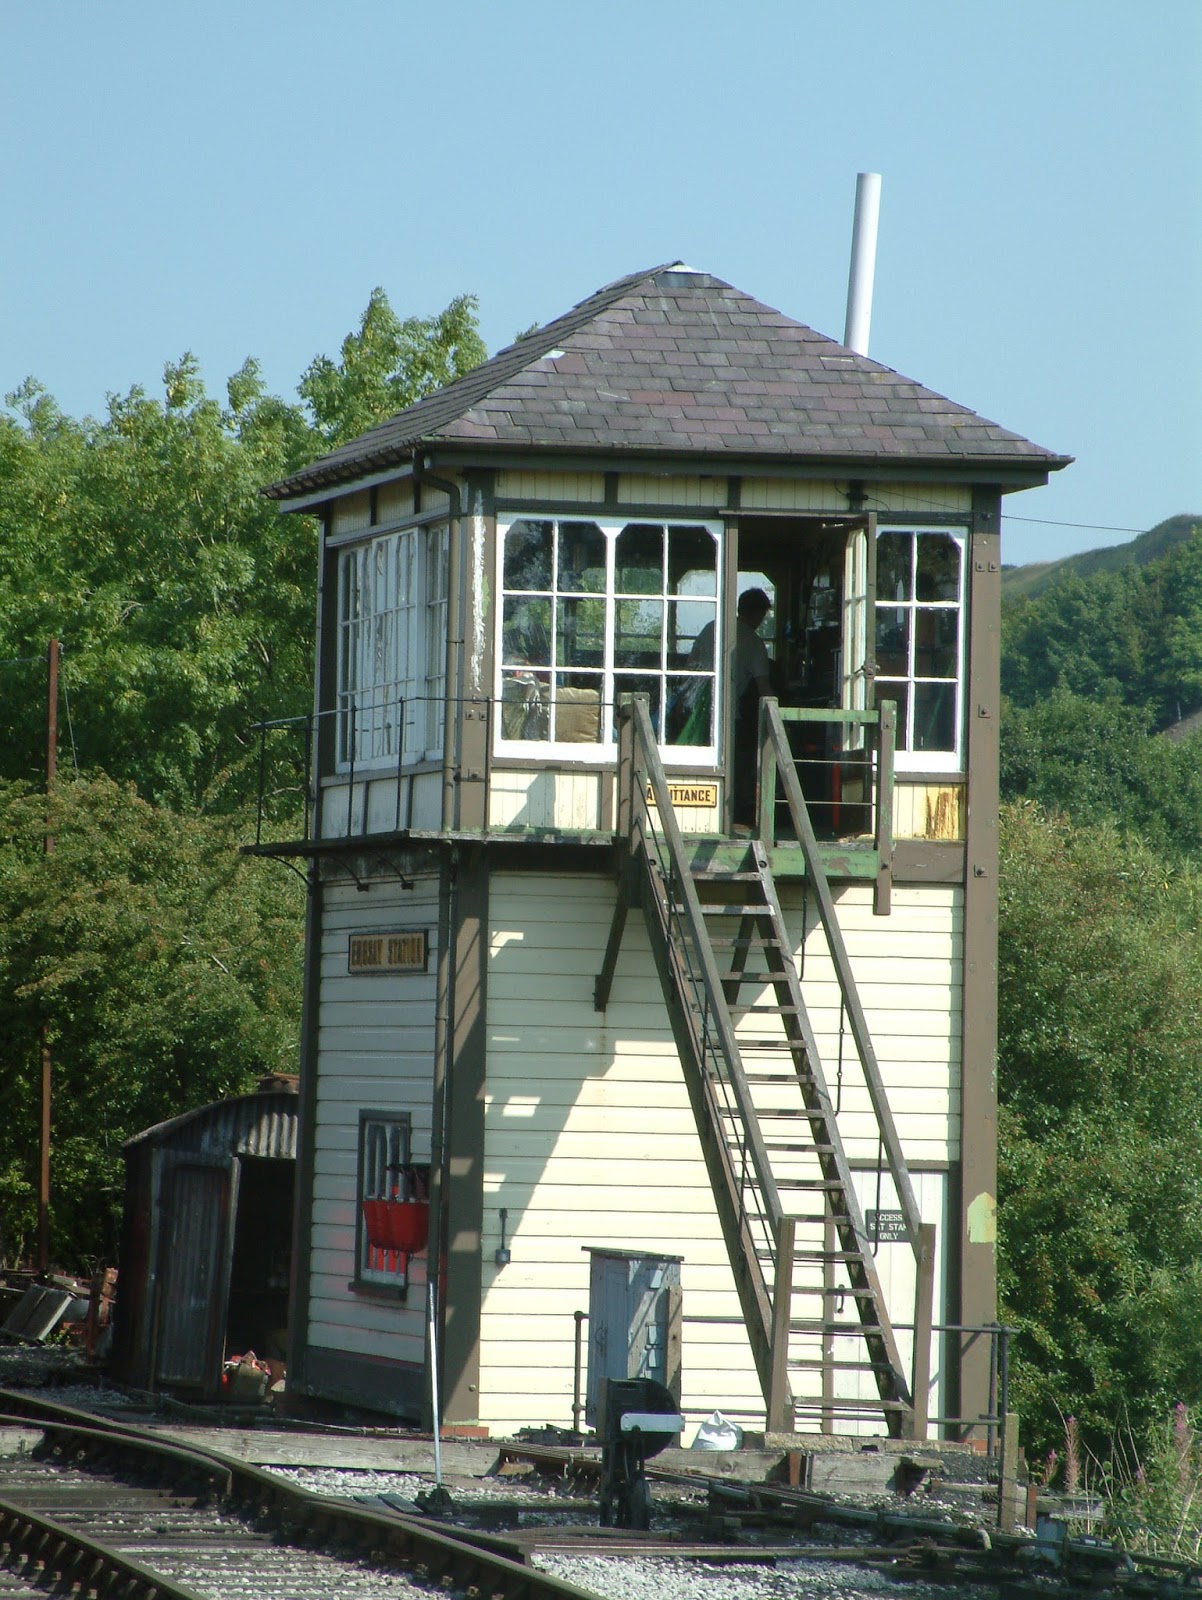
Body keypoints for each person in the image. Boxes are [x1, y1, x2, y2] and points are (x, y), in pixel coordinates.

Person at [689, 587, 773, 824]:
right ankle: (734, 809)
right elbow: (763, 686)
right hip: (730, 712)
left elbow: (690, 664)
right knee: (739, 760)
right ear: (757, 614)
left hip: (696, 709)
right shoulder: (754, 643)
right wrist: (777, 718)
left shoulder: (711, 628)